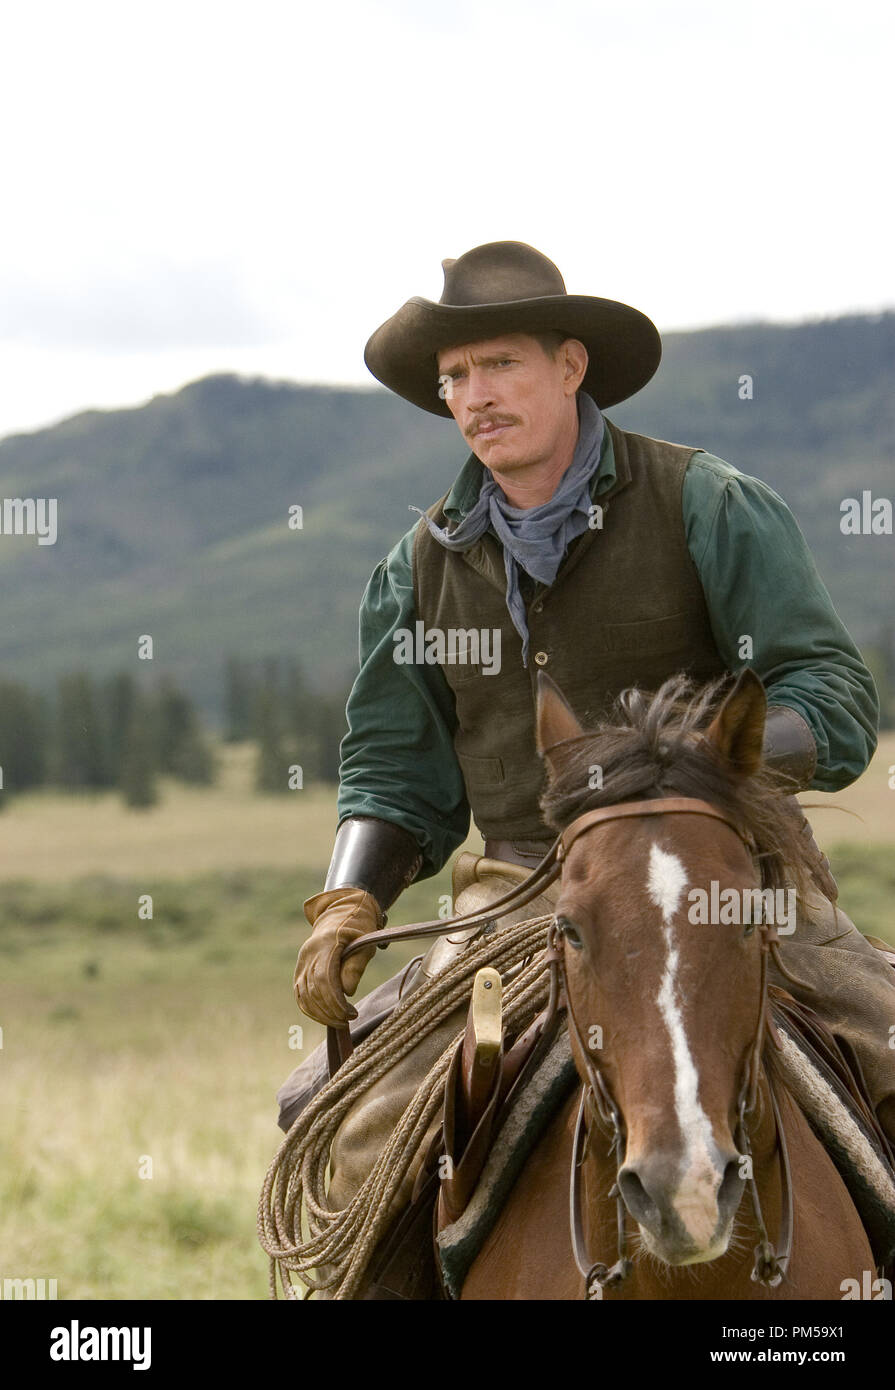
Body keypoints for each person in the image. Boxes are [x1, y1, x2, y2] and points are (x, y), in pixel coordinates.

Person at [285, 240, 895, 1161]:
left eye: (499, 363)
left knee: (888, 1057)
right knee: (339, 1124)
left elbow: (835, 702)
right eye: (454, 376)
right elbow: (394, 776)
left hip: (721, 877)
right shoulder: (413, 570)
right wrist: (345, 904)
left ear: (569, 367)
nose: (475, 395)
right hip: (518, 896)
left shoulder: (710, 503)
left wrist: (693, 765)